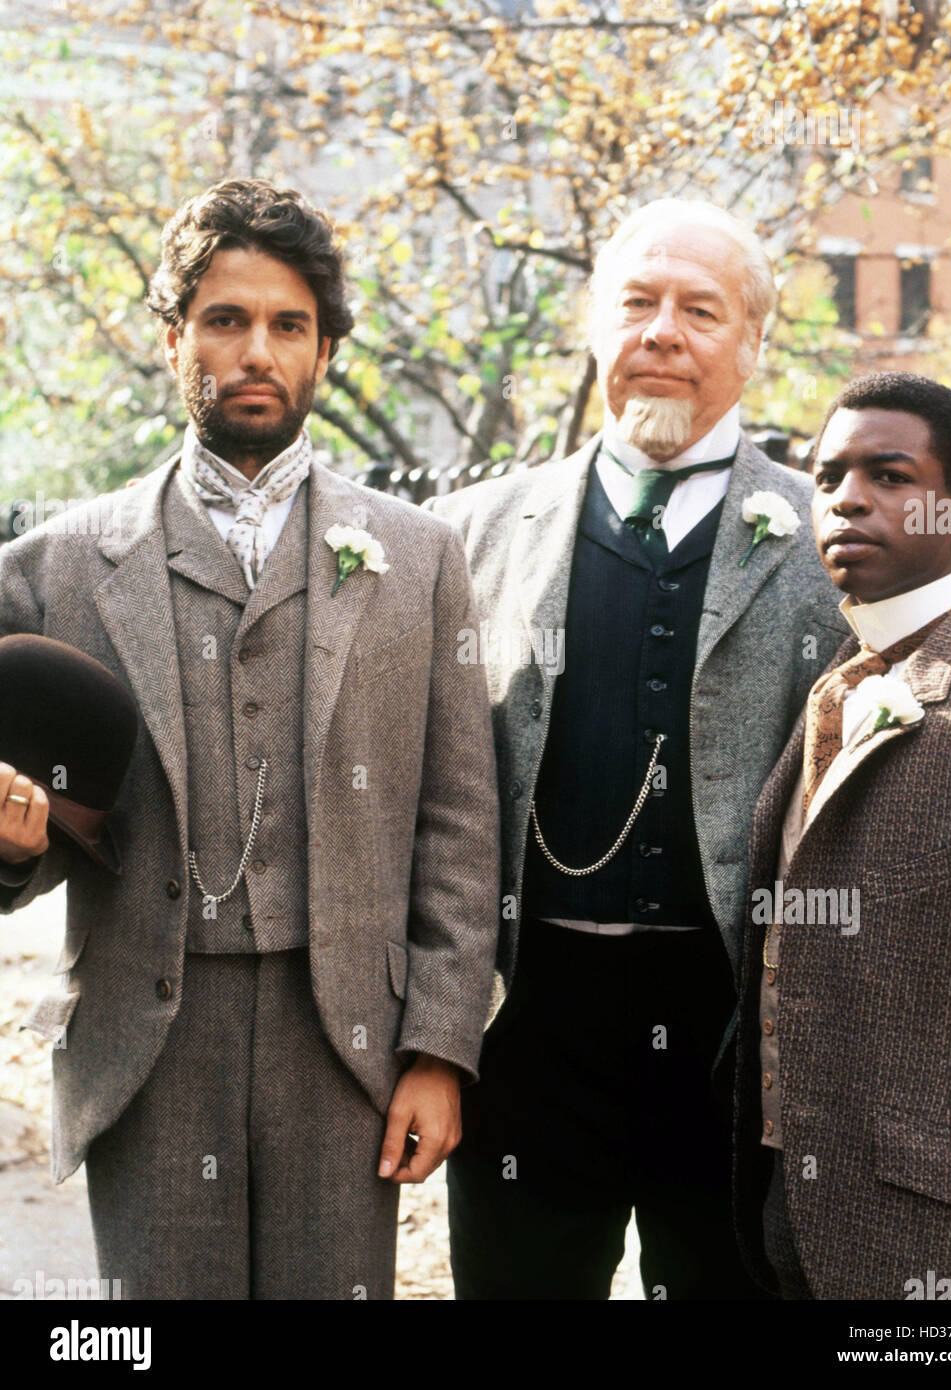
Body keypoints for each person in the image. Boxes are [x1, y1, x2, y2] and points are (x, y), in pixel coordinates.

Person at [0, 177, 499, 1300]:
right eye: (224, 320)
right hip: (147, 1040)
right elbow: (23, 841)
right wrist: (16, 846)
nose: (255, 350)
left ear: (323, 349)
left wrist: (439, 1046)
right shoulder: (57, 569)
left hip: (348, 1043)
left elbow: (459, 822)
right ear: (175, 338)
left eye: (287, 325)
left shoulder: (418, 558)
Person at [427, 198, 847, 1299]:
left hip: (733, 1035)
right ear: (592, 327)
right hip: (528, 1021)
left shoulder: (826, 540)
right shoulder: (470, 534)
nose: (661, 331)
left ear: (751, 343)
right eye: (636, 303)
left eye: (699, 310)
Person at [733, 372, 951, 1300]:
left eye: (890, 476)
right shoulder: (839, 684)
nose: (848, 498)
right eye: (828, 478)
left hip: (949, 1242)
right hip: (797, 1213)